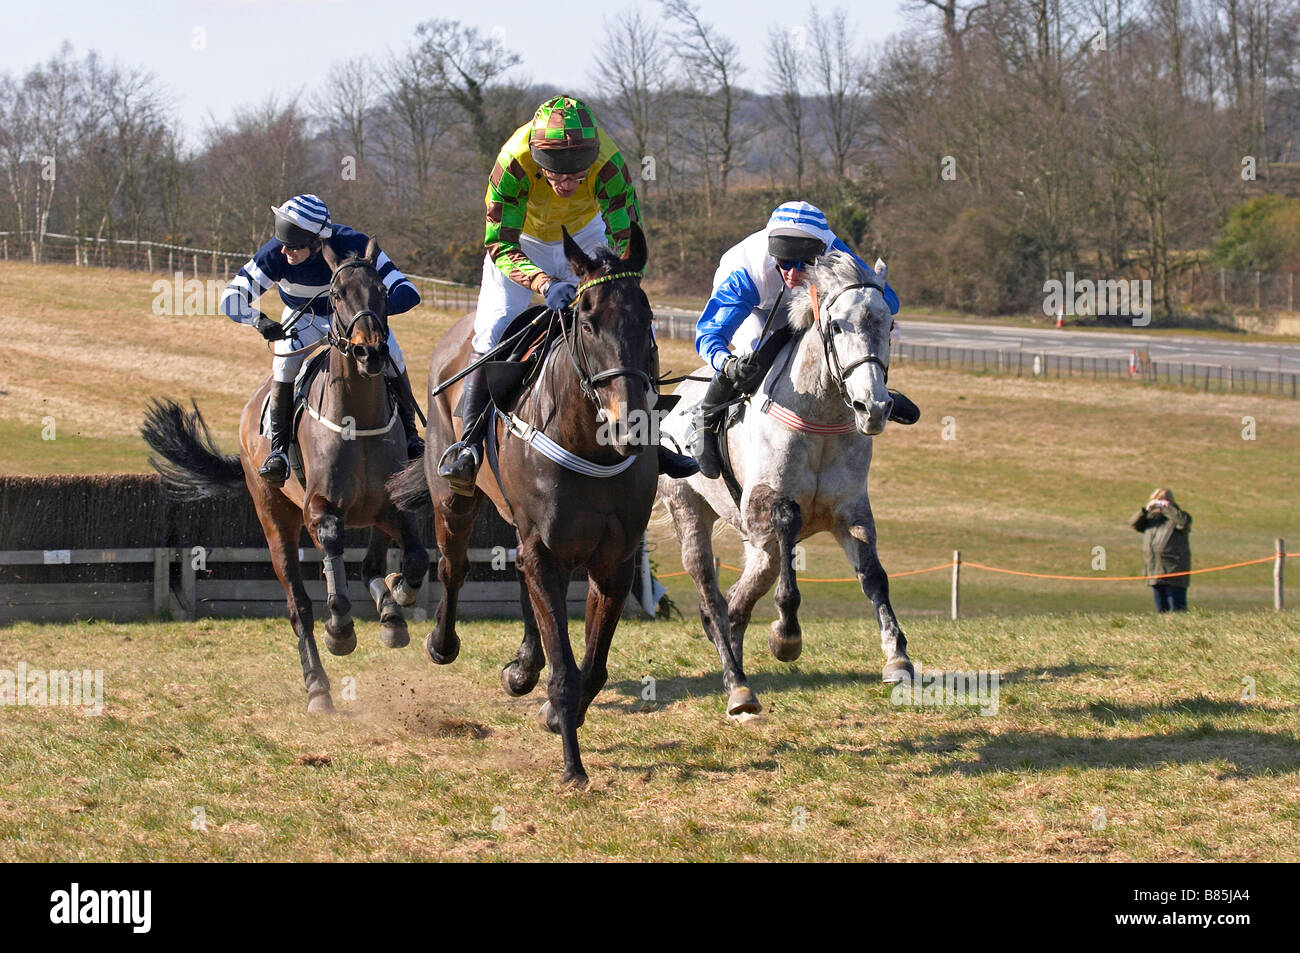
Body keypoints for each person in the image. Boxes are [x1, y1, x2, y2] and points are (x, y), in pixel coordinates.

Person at [437, 95, 696, 494]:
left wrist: (616, 289)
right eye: (558, 176)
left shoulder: (608, 162)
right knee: (492, 332)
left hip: (587, 235)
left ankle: (651, 439)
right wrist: (544, 283)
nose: (568, 184)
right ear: (538, 159)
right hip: (521, 241)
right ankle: (467, 446)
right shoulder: (511, 162)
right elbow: (499, 243)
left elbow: (627, 239)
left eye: (578, 175)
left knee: (626, 323)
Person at [687, 201, 921, 479]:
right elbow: (709, 335)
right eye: (784, 263)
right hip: (755, 308)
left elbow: (888, 299)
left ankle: (873, 392)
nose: (794, 274)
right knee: (754, 354)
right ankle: (704, 419)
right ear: (773, 252)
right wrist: (727, 364)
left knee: (836, 338)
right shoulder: (745, 273)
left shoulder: (834, 252)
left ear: (822, 252)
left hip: (802, 302)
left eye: (805, 264)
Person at [219, 194, 424, 487]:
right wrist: (259, 320)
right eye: (284, 243)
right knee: (285, 363)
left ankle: (412, 438)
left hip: (355, 317)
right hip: (304, 318)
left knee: (393, 355)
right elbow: (231, 297)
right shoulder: (275, 253)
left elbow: (408, 291)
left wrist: (368, 312)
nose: (285, 252)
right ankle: (278, 452)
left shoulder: (353, 243)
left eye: (294, 246)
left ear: (317, 243)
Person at [1130, 488, 1192, 612]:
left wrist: (1168, 508)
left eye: (1161, 500)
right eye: (1156, 500)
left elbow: (1184, 523)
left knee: (1177, 609)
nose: (1158, 504)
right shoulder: (1150, 520)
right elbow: (1134, 523)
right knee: (1161, 610)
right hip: (1155, 570)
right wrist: (1146, 509)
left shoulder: (1178, 517)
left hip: (1174, 570)